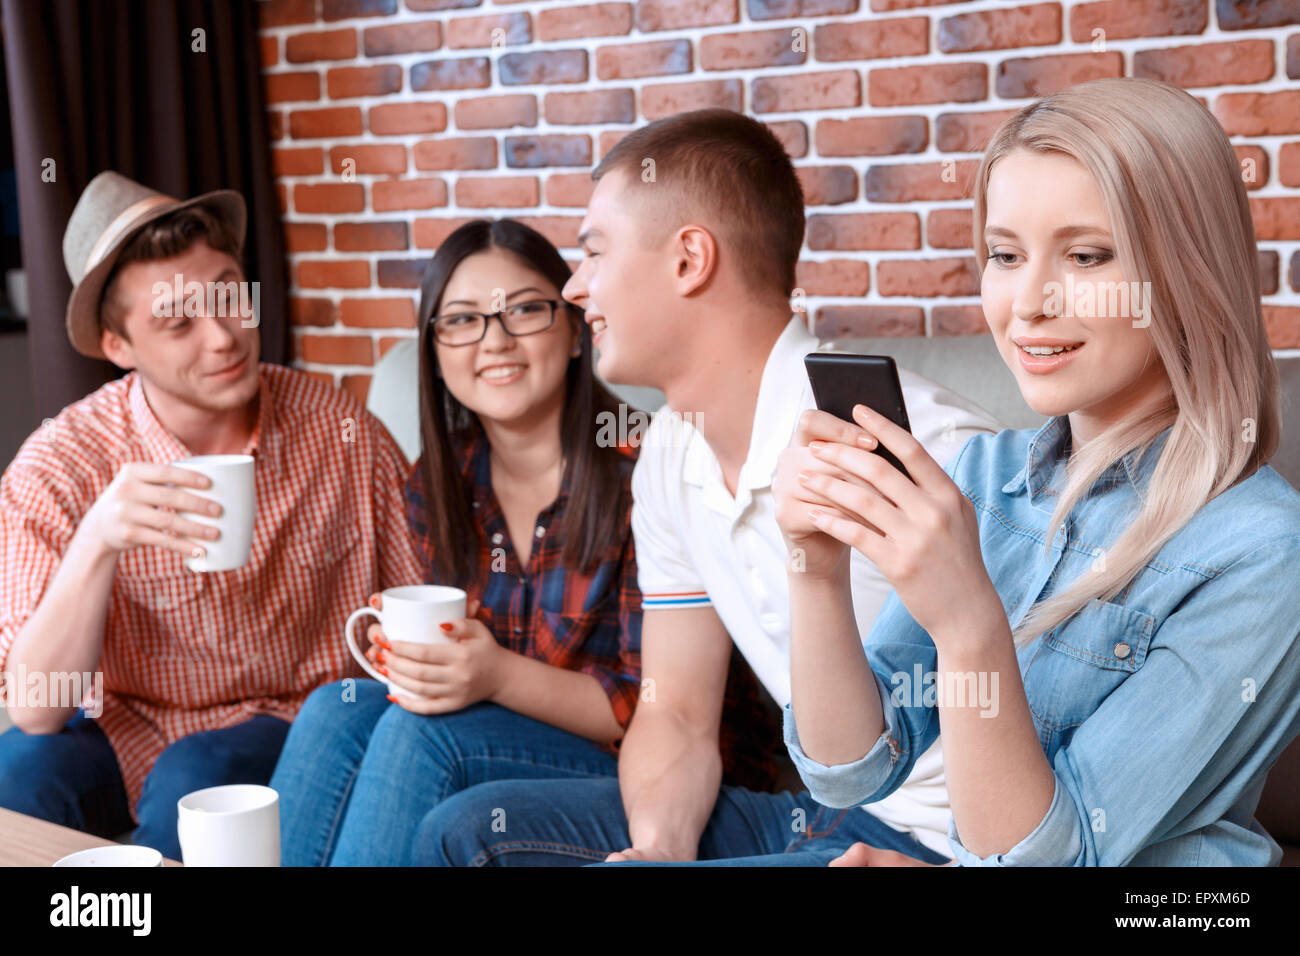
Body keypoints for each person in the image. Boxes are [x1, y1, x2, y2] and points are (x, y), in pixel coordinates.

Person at [412, 110, 1001, 867]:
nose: (574, 286)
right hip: (815, 815)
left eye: (594, 251)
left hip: (942, 845)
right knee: (466, 834)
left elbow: (1067, 728)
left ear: (690, 259)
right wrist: (657, 849)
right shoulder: (668, 454)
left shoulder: (926, 447)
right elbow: (680, 714)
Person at [776, 77, 1300, 866]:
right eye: (1005, 255)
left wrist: (967, 622)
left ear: (1186, 271)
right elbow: (852, 770)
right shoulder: (985, 475)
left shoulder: (1264, 553)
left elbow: (1059, 859)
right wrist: (816, 570)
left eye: (1085, 256)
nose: (1027, 304)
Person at [268, 218, 779, 866]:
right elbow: (468, 652)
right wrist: (427, 663)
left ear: (573, 329)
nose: (495, 341)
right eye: (462, 320)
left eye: (526, 311)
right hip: (507, 739)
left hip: (661, 775)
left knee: (416, 733)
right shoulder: (443, 478)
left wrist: (491, 674)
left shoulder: (645, 463)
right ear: (435, 348)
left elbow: (653, 709)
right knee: (335, 712)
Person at [0, 171, 423, 860]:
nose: (224, 338)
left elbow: (414, 610)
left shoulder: (341, 431)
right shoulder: (61, 463)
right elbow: (38, 708)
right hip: (128, 723)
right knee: (16, 772)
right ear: (119, 347)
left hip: (290, 720)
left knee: (194, 789)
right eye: (178, 323)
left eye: (231, 298)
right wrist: (99, 540)